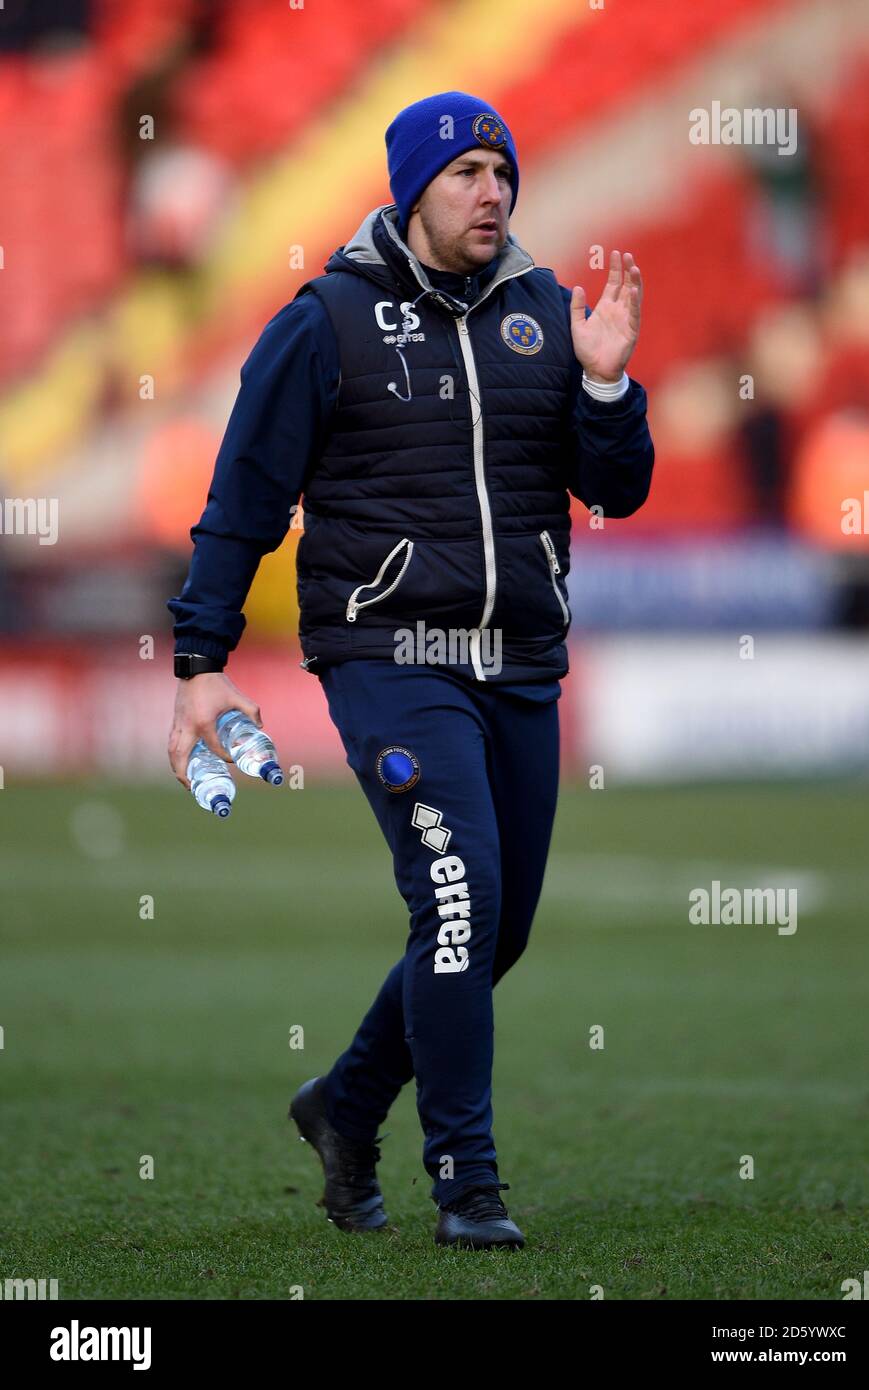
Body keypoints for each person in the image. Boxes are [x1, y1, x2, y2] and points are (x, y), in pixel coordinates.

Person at [167, 91, 654, 1249]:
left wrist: (602, 385)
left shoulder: (547, 314)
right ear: (411, 190)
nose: (491, 191)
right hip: (387, 657)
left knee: (494, 926)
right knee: (453, 900)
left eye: (502, 170)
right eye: (464, 173)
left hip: (520, 664)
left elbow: (616, 488)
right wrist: (199, 659)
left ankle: (341, 1102)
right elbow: (243, 497)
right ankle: (468, 1186)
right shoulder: (325, 321)